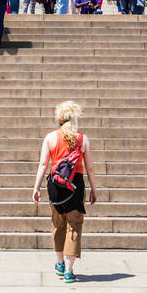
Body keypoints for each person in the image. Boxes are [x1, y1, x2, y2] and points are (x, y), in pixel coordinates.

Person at [31, 100, 97, 283]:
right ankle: (69, 271)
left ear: (59, 118)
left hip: (56, 186)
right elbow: (90, 168)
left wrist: (36, 188)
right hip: (75, 186)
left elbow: (43, 164)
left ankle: (60, 263)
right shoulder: (82, 139)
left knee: (57, 224)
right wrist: (93, 189)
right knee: (74, 225)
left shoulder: (51, 138)